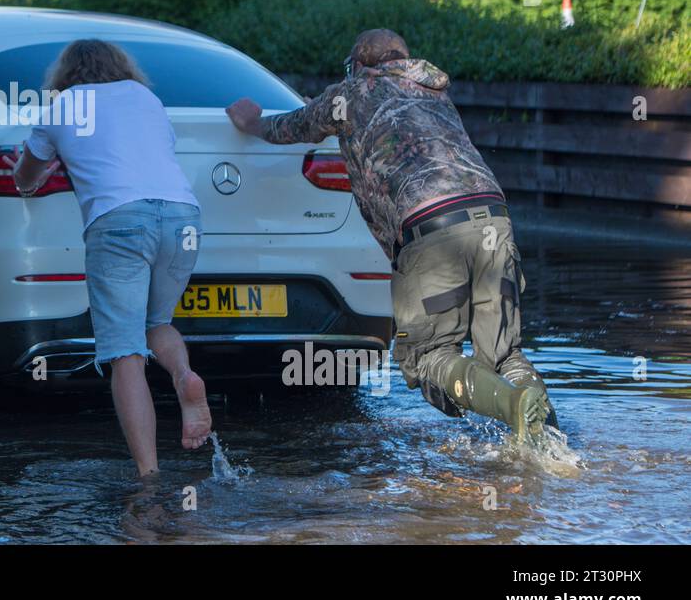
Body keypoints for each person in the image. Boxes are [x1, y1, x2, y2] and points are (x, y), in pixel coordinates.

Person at [225, 29, 557, 441]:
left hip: (432, 228)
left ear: (359, 65)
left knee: (429, 355)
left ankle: (512, 407)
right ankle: (550, 443)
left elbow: (294, 126)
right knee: (504, 354)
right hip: (494, 216)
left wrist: (251, 122)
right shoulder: (432, 90)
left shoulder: (353, 92)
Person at [10, 39, 211, 476]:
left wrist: (30, 169)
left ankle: (148, 474)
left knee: (125, 353)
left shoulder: (62, 106)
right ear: (122, 66)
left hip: (119, 220)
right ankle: (183, 378)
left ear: (63, 73)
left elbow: (25, 178)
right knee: (158, 322)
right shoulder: (146, 98)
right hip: (183, 217)